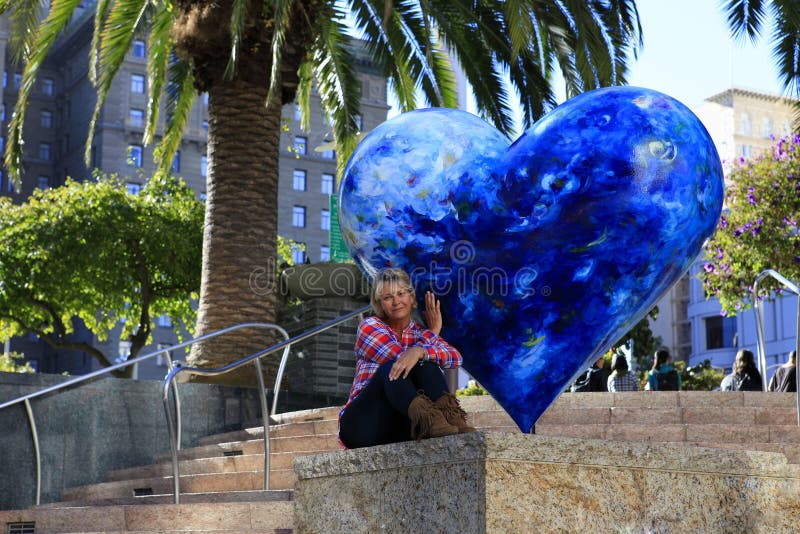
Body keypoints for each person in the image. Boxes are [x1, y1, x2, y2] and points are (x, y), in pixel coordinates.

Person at [338, 268, 475, 449]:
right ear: (380, 304)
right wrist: (432, 334)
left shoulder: (420, 333)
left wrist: (421, 350)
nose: (396, 301)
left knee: (426, 363)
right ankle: (431, 419)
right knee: (393, 367)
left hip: (401, 425)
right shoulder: (370, 326)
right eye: (388, 297)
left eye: (401, 294)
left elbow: (455, 358)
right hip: (362, 425)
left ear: (411, 298)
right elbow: (399, 359)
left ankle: (452, 418)